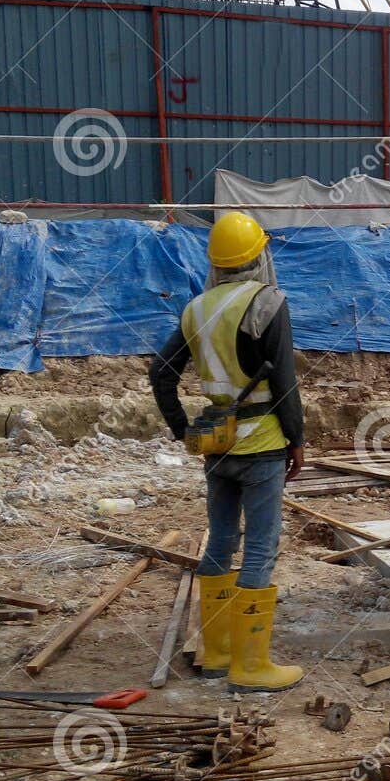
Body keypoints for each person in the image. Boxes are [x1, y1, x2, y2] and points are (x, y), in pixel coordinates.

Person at [150, 210, 306, 693]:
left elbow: (161, 373)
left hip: (218, 444)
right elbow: (283, 381)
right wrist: (297, 440)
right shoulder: (267, 304)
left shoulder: (197, 309)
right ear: (258, 254)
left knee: (220, 542)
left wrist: (183, 429)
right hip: (261, 445)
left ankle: (217, 652)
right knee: (260, 547)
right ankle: (251, 666)